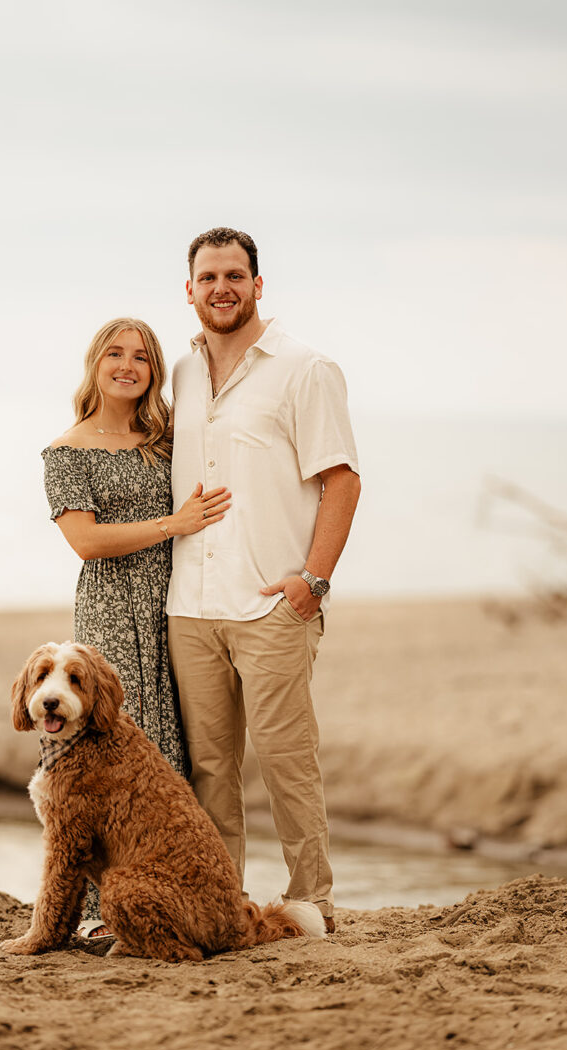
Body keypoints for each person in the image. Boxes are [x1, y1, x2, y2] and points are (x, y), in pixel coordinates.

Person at [167, 228, 361, 933]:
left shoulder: (305, 368)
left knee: (288, 762)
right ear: (188, 289)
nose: (222, 288)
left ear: (256, 286)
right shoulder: (180, 373)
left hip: (272, 604)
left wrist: (313, 579)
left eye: (235, 276)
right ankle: (223, 904)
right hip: (189, 605)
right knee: (211, 771)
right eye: (208, 276)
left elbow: (342, 480)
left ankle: (313, 899)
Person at [42, 317, 230, 939]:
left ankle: (179, 900)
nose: (129, 365)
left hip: (172, 604)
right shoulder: (66, 452)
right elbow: (87, 542)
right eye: (115, 354)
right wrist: (172, 526)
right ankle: (99, 914)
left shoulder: (164, 439)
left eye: (142, 357)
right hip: (111, 610)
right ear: (96, 363)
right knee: (105, 759)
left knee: (166, 754)